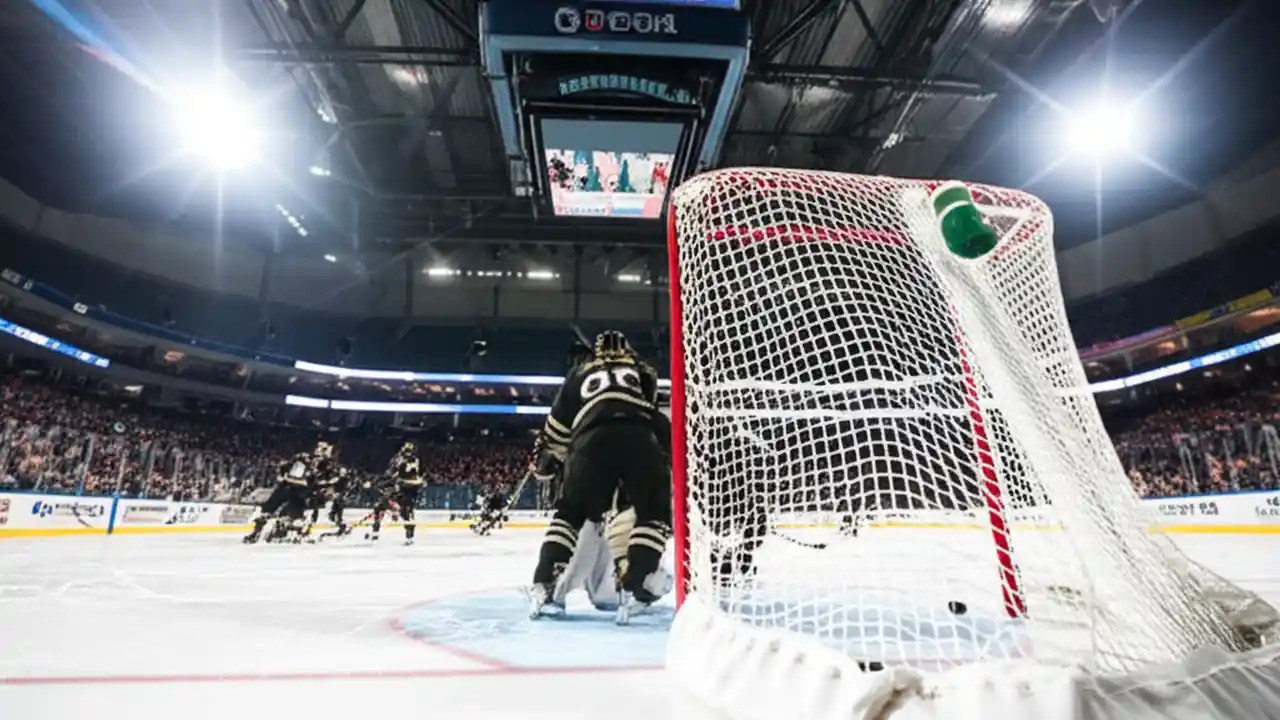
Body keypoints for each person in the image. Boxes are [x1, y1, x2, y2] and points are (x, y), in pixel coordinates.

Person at [527, 330, 672, 622]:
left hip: (589, 442)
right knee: (652, 514)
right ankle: (635, 583)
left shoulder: (578, 373)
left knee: (569, 515)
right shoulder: (643, 371)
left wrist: (545, 462)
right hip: (640, 439)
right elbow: (654, 410)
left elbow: (555, 432)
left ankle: (545, 584)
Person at [244, 440, 333, 544]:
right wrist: (285, 475)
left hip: (300, 491)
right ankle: (256, 532)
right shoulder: (304, 458)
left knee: (297, 513)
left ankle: (296, 531)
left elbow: (319, 481)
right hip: (291, 488)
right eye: (320, 448)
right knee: (268, 509)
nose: (321, 451)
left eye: (324, 449)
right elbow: (287, 469)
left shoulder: (325, 464)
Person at [368, 441, 424, 545]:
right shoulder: (399, 459)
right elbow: (391, 472)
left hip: (407, 491)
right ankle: (375, 532)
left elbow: (416, 477)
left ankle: (409, 537)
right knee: (379, 508)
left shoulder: (412, 461)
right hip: (397, 489)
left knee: (406, 513)